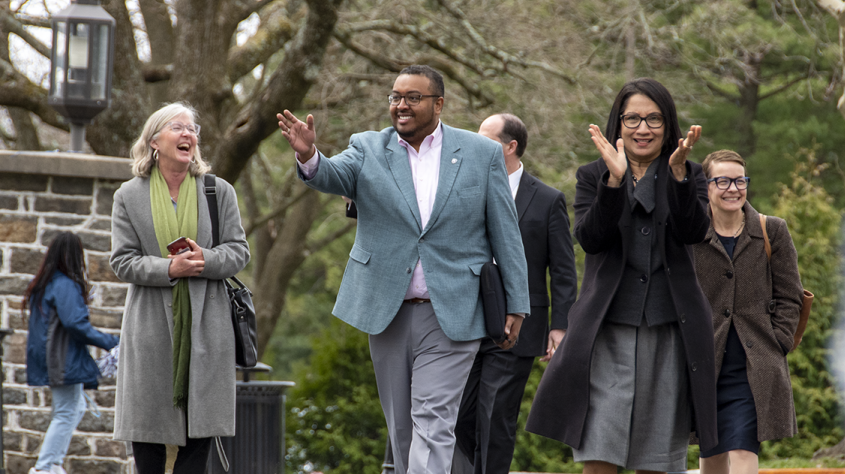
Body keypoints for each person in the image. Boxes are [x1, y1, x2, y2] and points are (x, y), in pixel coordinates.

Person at [276, 65, 529, 474]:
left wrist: (517, 303)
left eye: (413, 97)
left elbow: (506, 233)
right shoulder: (367, 147)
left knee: (433, 423)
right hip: (387, 309)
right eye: (395, 97)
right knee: (402, 431)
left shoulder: (481, 154)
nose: (401, 105)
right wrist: (308, 155)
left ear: (439, 104)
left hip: (454, 310)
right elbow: (330, 174)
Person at [526, 77, 717, 474]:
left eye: (654, 119)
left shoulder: (689, 174)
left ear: (669, 126)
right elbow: (591, 239)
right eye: (633, 118)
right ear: (618, 123)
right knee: (599, 447)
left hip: (668, 330)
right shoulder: (593, 174)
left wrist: (678, 177)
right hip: (606, 333)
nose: (643, 129)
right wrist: (614, 183)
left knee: (658, 456)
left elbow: (694, 233)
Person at [110, 103, 251, 474]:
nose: (188, 134)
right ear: (155, 140)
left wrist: (204, 259)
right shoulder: (129, 195)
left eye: (193, 129)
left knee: (200, 436)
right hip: (151, 328)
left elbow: (238, 252)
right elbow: (122, 261)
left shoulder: (218, 191)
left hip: (208, 325)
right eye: (178, 127)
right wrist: (169, 268)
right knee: (149, 438)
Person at [451, 113, 578, 474]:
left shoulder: (548, 199)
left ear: (511, 146)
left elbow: (564, 269)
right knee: (459, 417)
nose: (476, 146)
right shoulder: (462, 187)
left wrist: (560, 326)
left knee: (495, 416)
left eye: (486, 139)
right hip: (464, 319)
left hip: (520, 326)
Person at [694, 150, 803, 474]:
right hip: (703, 364)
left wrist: (778, 340)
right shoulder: (690, 235)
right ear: (707, 187)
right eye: (723, 180)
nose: (733, 189)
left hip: (751, 367)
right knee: (711, 458)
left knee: (742, 449)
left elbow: (790, 295)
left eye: (740, 180)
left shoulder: (773, 230)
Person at [24, 232, 120, 474]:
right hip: (62, 359)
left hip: (52, 357)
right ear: (74, 255)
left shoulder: (45, 283)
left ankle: (54, 464)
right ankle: (44, 468)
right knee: (67, 411)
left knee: (71, 409)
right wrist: (113, 342)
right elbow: (76, 323)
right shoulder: (65, 285)